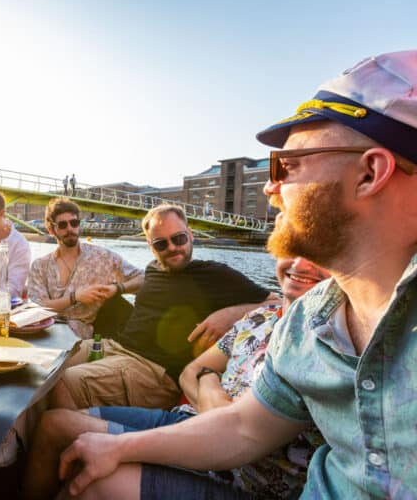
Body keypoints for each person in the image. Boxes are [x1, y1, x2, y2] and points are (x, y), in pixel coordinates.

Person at [57, 50, 417, 499]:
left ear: (370, 172)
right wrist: (117, 447)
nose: (270, 187)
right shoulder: (306, 321)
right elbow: (245, 428)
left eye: (287, 165)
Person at [23, 257, 329, 500]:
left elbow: (233, 430)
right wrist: (209, 382)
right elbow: (192, 371)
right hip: (188, 420)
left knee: (97, 480)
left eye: (320, 254)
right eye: (292, 249)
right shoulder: (260, 319)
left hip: (243, 478)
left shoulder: (325, 345)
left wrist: (209, 387)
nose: (300, 263)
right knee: (53, 424)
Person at [49, 204, 273, 412]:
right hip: (115, 347)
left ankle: (66, 432)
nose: (172, 248)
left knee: (63, 383)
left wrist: (229, 315)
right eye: (161, 244)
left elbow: (276, 302)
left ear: (190, 235)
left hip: (154, 372)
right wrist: (117, 289)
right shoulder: (153, 269)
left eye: (179, 238)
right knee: (45, 363)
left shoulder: (215, 274)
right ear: (151, 246)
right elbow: (139, 283)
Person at [27, 197, 144, 338]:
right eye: (63, 225)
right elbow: (38, 308)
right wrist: (75, 297)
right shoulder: (40, 265)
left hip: (80, 336)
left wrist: (118, 289)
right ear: (51, 230)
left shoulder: (102, 257)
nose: (70, 229)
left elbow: (143, 278)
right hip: (45, 331)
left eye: (74, 223)